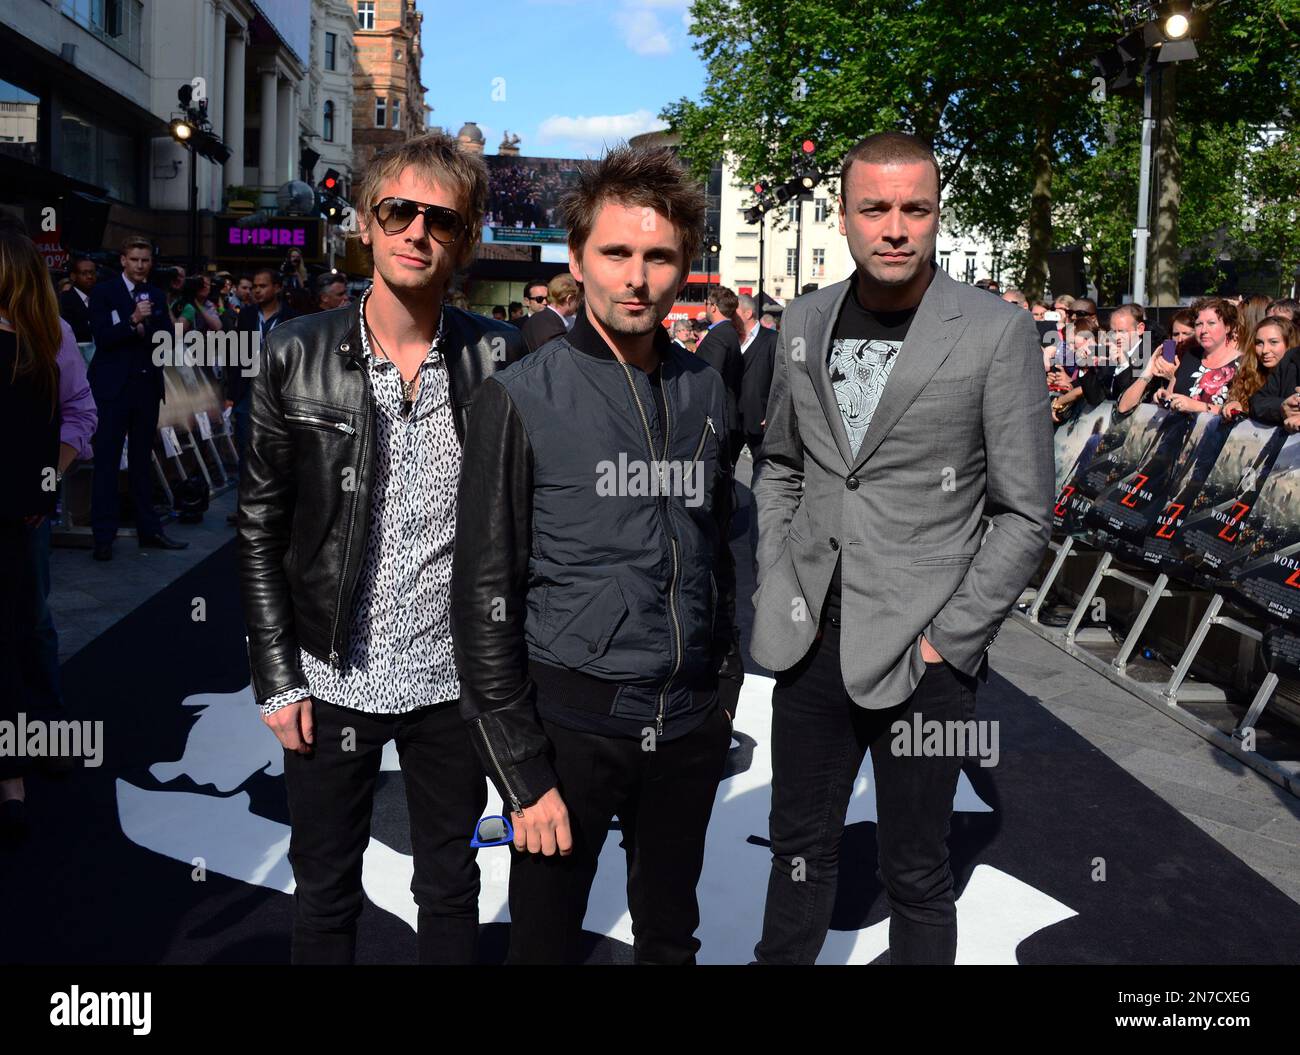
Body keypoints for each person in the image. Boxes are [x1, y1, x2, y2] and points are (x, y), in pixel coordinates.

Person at [749, 130, 1053, 965]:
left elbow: (1026, 511)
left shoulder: (996, 332)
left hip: (929, 661)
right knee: (797, 852)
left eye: (913, 208)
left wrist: (949, 642)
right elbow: (780, 465)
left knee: (918, 869)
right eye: (874, 208)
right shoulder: (805, 319)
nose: (894, 226)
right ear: (843, 217)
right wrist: (780, 573)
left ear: (936, 216)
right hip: (809, 637)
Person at [450, 144, 742, 965]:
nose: (637, 277)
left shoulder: (705, 388)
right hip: (567, 728)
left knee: (671, 939)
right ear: (578, 259)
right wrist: (521, 774)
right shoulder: (518, 394)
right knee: (543, 945)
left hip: (686, 724)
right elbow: (480, 595)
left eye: (659, 256)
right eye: (616, 253)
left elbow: (718, 544)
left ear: (686, 265)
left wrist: (722, 691)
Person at [238, 131, 524, 965]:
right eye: (398, 210)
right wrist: (277, 674)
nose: (416, 231)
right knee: (325, 890)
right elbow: (260, 526)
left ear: (464, 239)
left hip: (451, 685)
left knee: (451, 888)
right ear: (366, 221)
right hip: (329, 681)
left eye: (441, 218)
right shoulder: (295, 351)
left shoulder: (498, 358)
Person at [0, 223, 64, 841]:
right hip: (19, 521)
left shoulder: (36, 354)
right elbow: (42, 446)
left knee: (25, 638)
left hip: (17, 523)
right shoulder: (38, 353)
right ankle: (14, 780)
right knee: (18, 643)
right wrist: (39, 498)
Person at [86, 237, 187, 559]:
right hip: (112, 390)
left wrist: (146, 328)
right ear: (123, 261)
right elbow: (102, 337)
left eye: (145, 260)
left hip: (145, 388)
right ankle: (103, 536)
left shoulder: (156, 295)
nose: (141, 265)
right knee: (107, 462)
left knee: (144, 462)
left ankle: (150, 531)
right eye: (135, 259)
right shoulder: (103, 293)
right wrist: (133, 322)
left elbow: (165, 341)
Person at [694, 285, 745, 462]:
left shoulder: (719, 336)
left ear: (713, 306)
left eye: (707, 303)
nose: (706, 306)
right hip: (724, 415)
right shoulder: (727, 332)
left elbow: (710, 376)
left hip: (716, 418)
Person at [1241, 316, 1300, 425]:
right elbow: (1257, 402)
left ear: (1289, 343)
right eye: (1259, 342)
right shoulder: (1248, 373)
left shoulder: (1291, 363)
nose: (1264, 350)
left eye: (1273, 342)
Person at [519, 272, 579, 353]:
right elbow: (559, 360)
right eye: (577, 299)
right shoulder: (553, 328)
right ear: (569, 299)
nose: (577, 304)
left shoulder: (540, 318)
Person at [59, 256, 97, 343]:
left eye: (92, 273)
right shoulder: (65, 300)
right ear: (73, 276)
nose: (89, 276)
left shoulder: (101, 296)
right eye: (84, 273)